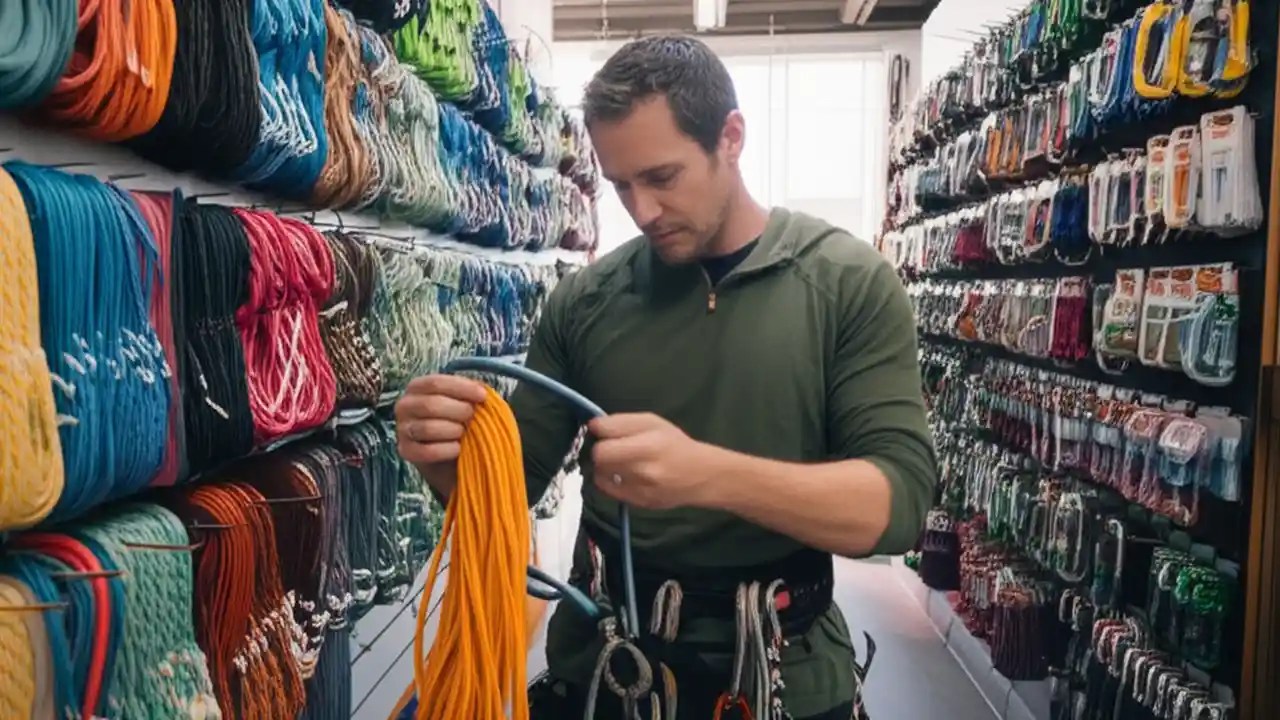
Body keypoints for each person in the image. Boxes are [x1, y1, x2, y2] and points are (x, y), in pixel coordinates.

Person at [395, 35, 936, 720]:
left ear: (730, 138)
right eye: (622, 185)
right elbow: (508, 491)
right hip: (608, 676)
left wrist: (706, 475)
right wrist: (439, 453)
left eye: (662, 177)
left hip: (781, 680)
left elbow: (898, 507)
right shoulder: (586, 301)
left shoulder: (847, 285)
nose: (642, 211)